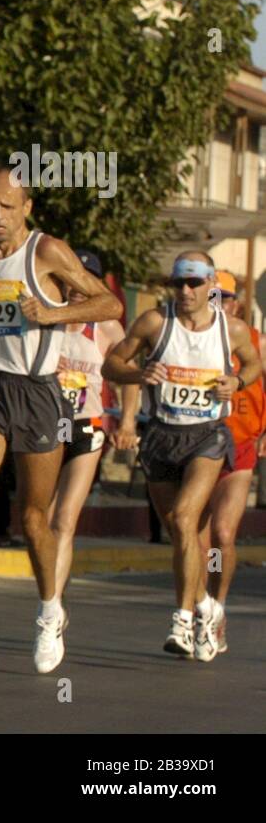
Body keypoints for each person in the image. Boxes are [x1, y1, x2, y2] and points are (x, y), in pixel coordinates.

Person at [0, 167, 121, 674]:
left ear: (27, 208)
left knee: (32, 519)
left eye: (5, 206)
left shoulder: (47, 252)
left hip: (39, 392)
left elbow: (107, 302)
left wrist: (52, 315)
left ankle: (49, 612)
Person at [105, 253, 260, 661]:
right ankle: (207, 607)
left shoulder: (233, 329)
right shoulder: (156, 323)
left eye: (193, 283)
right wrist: (139, 375)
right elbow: (111, 364)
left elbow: (255, 363)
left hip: (207, 436)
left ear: (211, 285)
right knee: (178, 530)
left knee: (188, 518)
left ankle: (182, 618)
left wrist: (237, 381)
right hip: (160, 434)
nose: (185, 291)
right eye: (178, 284)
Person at [45, 250, 125, 606]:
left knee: (64, 519)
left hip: (87, 426)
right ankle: (48, 593)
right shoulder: (48, 319)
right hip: (45, 426)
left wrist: (129, 418)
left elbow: (126, 371)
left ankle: (54, 602)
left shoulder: (106, 327)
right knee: (42, 519)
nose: (77, 288)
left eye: (85, 279)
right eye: (71, 279)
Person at [196, 271, 265, 657]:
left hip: (240, 447)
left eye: (221, 298)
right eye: (211, 297)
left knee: (222, 534)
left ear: (235, 304)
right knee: (198, 538)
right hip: (197, 444)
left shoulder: (256, 342)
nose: (216, 305)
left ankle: (217, 607)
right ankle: (198, 606)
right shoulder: (190, 339)